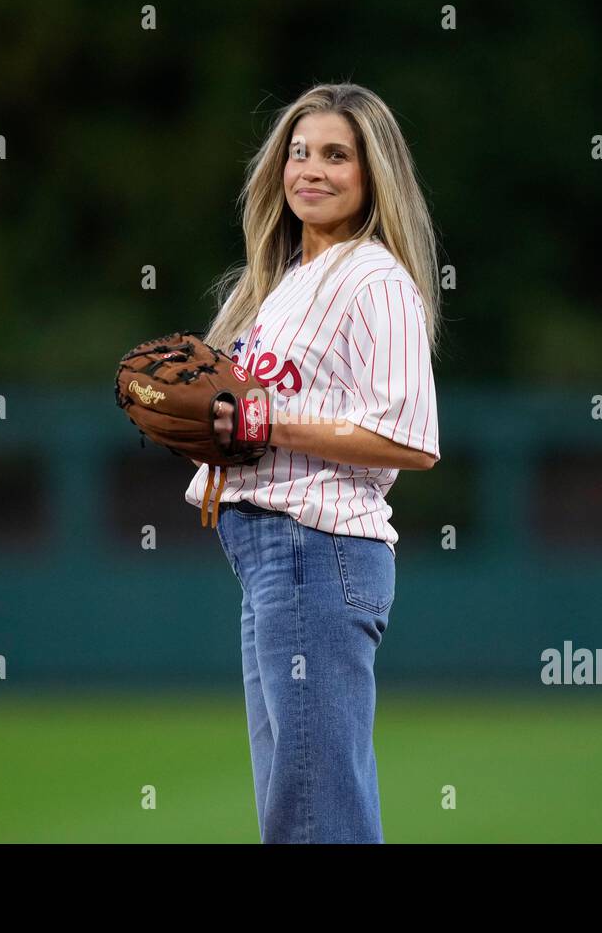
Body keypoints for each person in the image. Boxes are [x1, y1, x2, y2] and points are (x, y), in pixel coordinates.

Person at [186, 82, 443, 843]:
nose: (311, 170)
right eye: (299, 153)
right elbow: (261, 425)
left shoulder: (376, 279)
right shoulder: (283, 285)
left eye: (337, 154)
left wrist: (270, 422)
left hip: (316, 552)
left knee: (313, 817)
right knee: (297, 812)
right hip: (269, 557)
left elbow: (411, 439)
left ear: (373, 175)